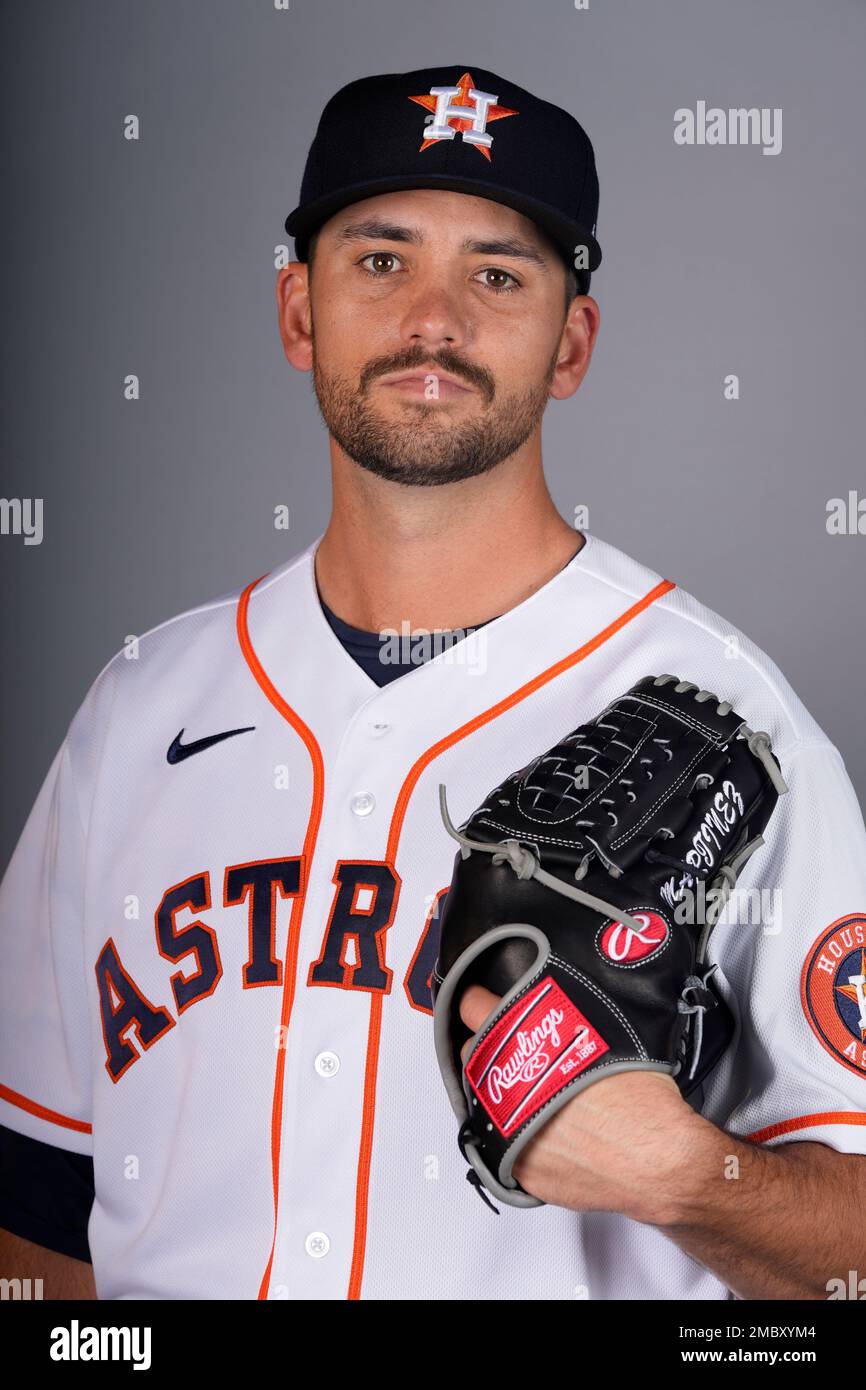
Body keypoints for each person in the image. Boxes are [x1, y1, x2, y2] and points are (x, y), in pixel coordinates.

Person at [1, 64, 864, 1301]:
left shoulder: (727, 718)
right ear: (299, 311)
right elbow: (34, 1199)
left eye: (497, 274)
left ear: (571, 342)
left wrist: (685, 1174)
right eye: (380, 260)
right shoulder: (137, 710)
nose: (434, 320)